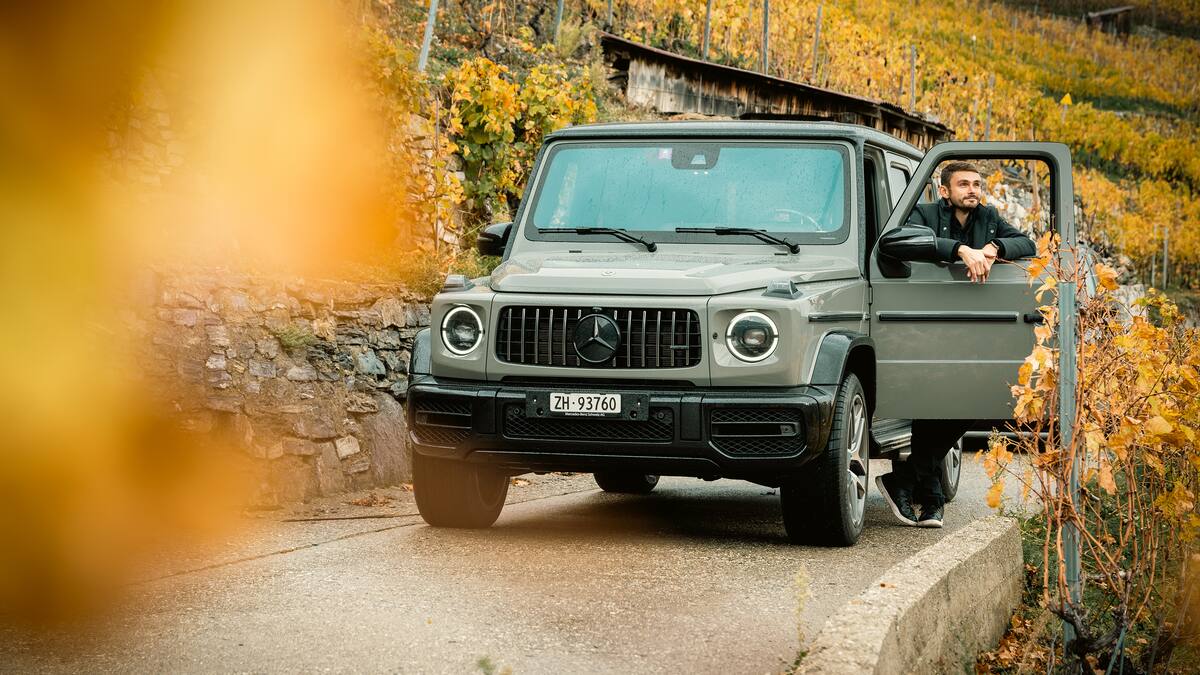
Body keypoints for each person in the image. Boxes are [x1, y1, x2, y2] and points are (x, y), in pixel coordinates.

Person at [875, 161, 1036, 527]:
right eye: (963, 184)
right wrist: (960, 250)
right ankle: (931, 500)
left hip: (971, 328)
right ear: (944, 190)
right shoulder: (923, 212)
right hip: (925, 324)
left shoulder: (990, 218)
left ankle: (902, 479)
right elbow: (896, 242)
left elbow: (1028, 242)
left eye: (977, 184)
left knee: (969, 400)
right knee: (930, 402)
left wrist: (993, 248)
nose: (972, 190)